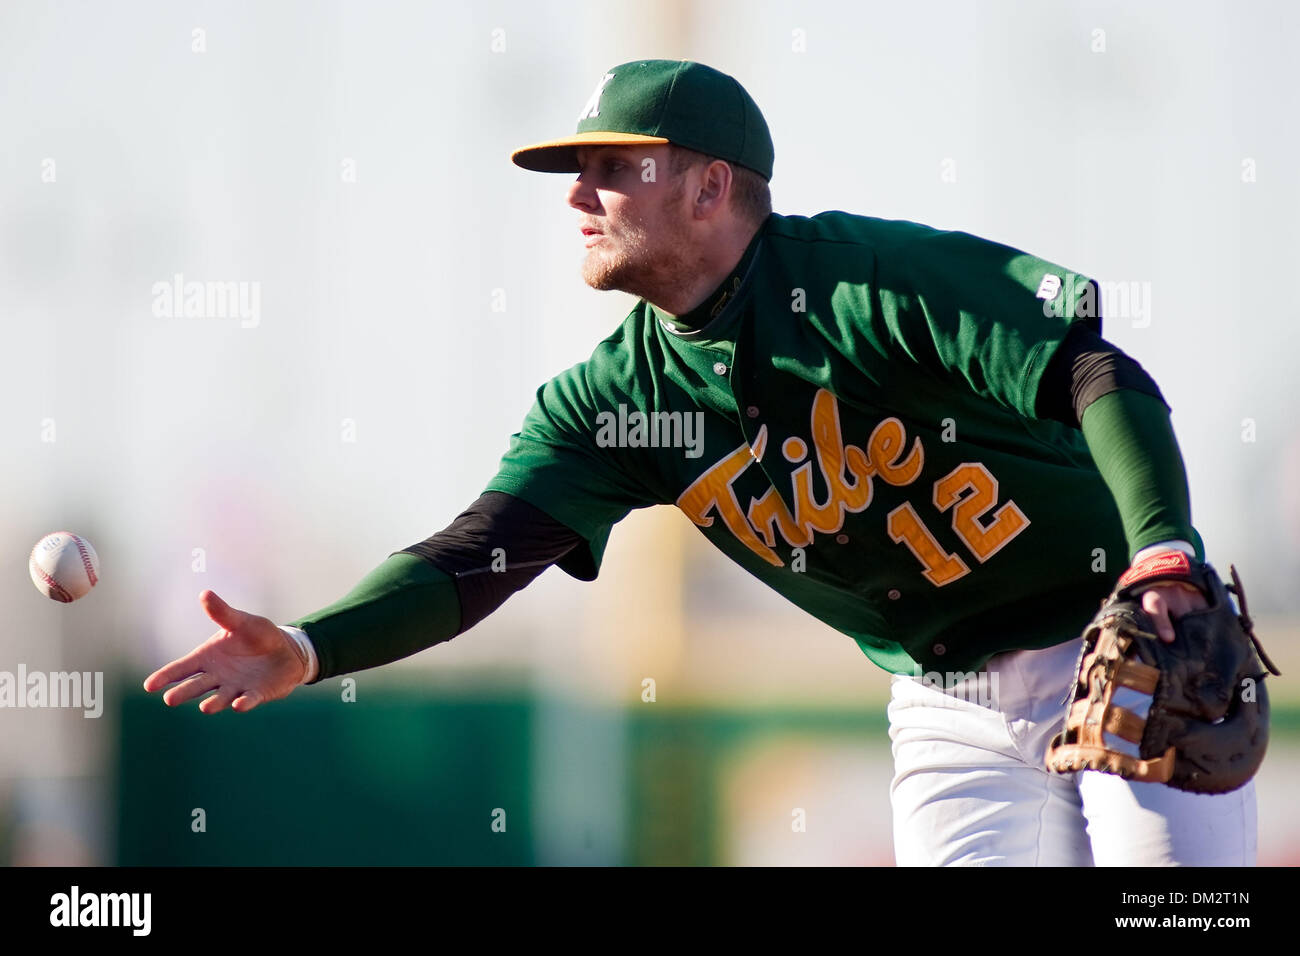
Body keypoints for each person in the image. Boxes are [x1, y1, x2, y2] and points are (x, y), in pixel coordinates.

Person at [144, 59, 1255, 866]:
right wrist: (308, 642)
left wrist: (1162, 550)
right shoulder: (615, 401)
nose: (576, 196)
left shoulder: (867, 281)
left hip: (1117, 638)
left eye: (609, 168)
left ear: (710, 188)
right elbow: (478, 554)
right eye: (572, 174)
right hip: (943, 693)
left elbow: (1094, 370)